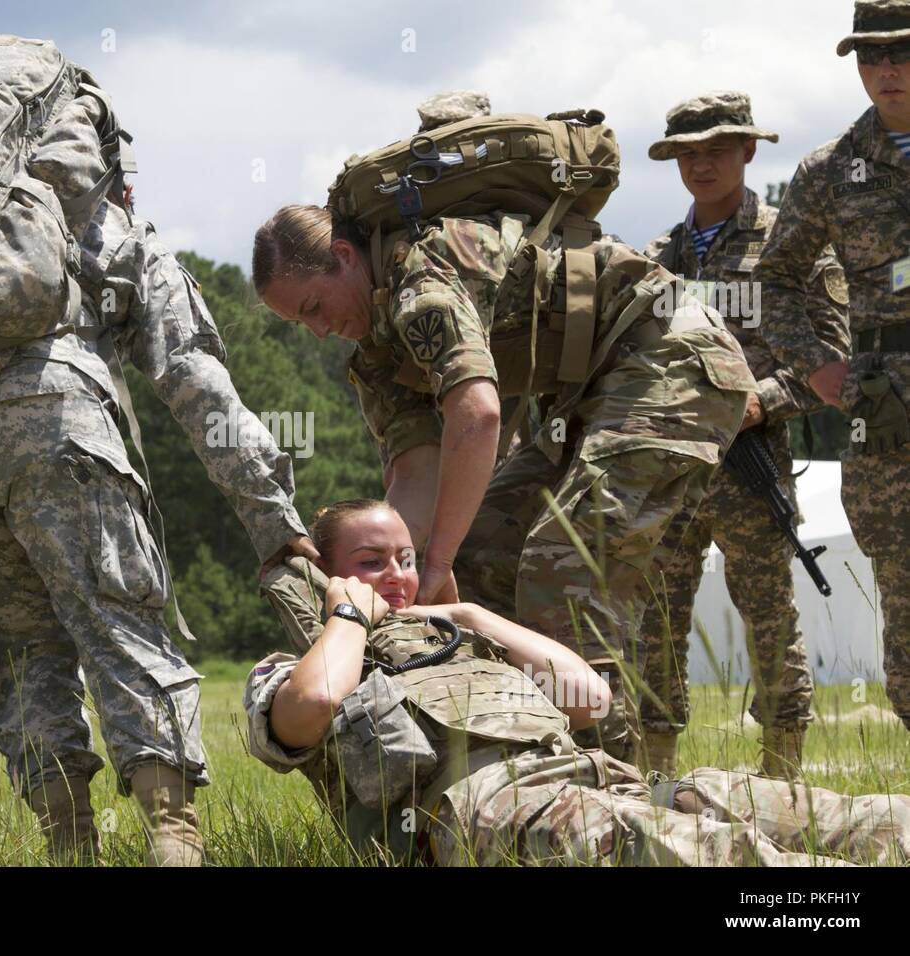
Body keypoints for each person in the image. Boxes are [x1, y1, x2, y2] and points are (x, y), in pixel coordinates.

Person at [0, 195, 312, 866]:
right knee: (119, 629)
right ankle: (173, 840)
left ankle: (69, 846)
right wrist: (274, 522)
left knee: (16, 659)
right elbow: (194, 378)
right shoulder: (99, 224)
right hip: (49, 422)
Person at [252, 190, 756, 760]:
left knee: (562, 568)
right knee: (481, 552)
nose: (317, 330)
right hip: (591, 397)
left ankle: (616, 782)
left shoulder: (420, 278)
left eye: (314, 307)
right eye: (301, 323)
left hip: (672, 357)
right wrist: (381, 580)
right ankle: (510, 754)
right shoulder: (377, 354)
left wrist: (434, 562)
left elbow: (479, 411)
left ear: (344, 256)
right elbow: (418, 474)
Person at [247, 498, 910, 865]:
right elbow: (313, 705)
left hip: (586, 776)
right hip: (480, 813)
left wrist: (473, 613)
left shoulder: (465, 637)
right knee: (717, 858)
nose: (396, 576)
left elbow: (589, 700)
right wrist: (344, 615)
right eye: (370, 563)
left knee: (816, 813)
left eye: (406, 559)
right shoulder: (295, 668)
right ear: (330, 576)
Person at [639, 92, 850, 778]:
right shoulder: (659, 258)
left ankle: (782, 780)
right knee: (658, 621)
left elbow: (833, 355)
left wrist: (761, 402)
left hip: (750, 460)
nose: (701, 165)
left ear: (749, 151)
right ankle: (657, 783)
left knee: (767, 615)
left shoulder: (792, 246)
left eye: (717, 151)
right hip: (672, 465)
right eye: (688, 154)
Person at [754, 0, 910, 733]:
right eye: (870, 56)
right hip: (888, 414)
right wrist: (819, 368)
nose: (886, 71)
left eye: (902, 53)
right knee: (907, 603)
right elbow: (774, 280)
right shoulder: (829, 170)